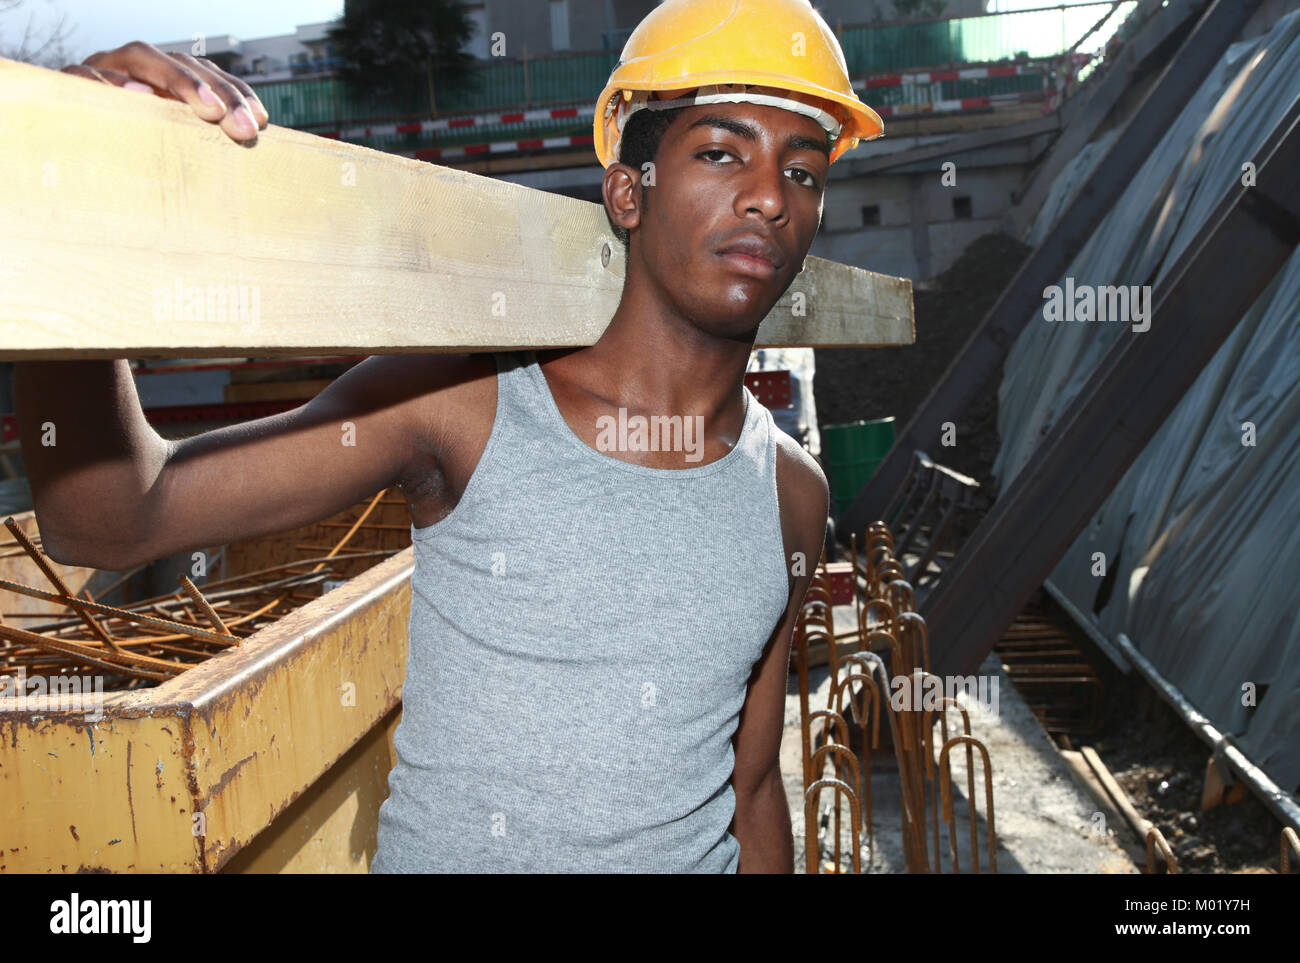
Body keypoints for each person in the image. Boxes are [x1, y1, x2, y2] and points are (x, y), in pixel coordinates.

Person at [16, 0, 883, 872]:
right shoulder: (467, 402)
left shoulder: (791, 494)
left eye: (804, 171)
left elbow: (753, 785)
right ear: (629, 190)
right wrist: (58, 200)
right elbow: (112, 519)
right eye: (721, 152)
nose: (770, 196)